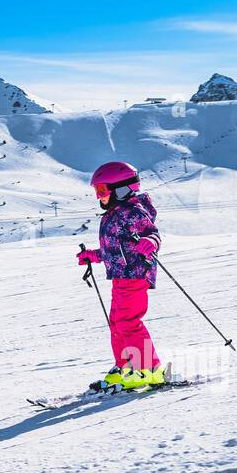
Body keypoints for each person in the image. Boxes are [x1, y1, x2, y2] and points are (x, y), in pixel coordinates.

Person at [75, 161, 164, 391]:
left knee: (129, 322)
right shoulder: (113, 215)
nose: (99, 197)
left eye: (102, 190)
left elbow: (151, 233)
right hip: (120, 276)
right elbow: (114, 249)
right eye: (97, 191)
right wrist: (92, 256)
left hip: (135, 275)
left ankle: (149, 370)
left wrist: (150, 242)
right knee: (117, 323)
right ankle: (125, 367)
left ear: (122, 189)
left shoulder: (133, 211)